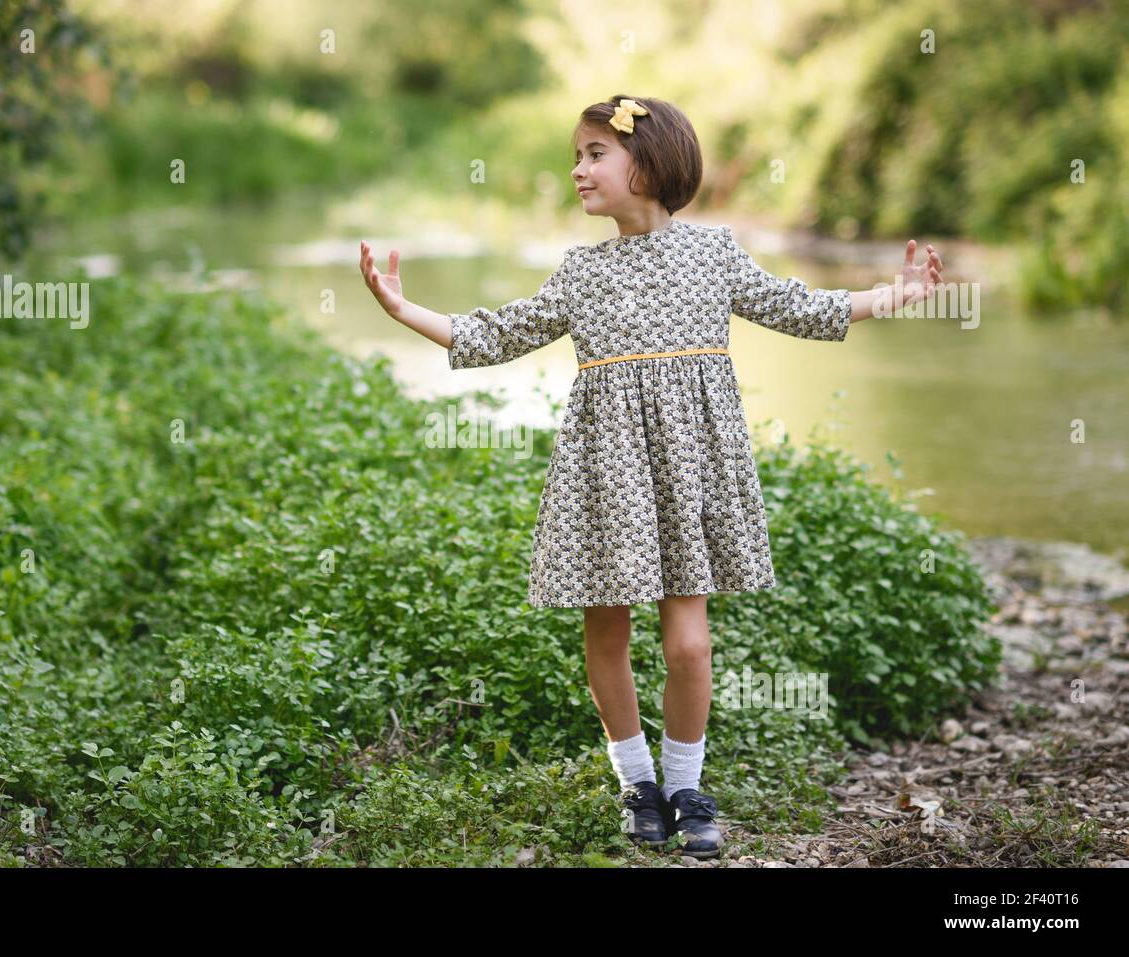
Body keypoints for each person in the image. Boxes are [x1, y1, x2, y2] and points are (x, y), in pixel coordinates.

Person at [358, 94, 945, 858]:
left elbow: (800, 307)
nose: (577, 169)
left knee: (689, 644)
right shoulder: (580, 272)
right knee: (606, 626)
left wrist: (896, 294)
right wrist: (404, 309)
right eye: (576, 154)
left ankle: (686, 784)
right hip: (605, 470)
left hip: (689, 469)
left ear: (651, 162)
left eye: (595, 153)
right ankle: (637, 785)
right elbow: (494, 334)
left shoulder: (714, 253)